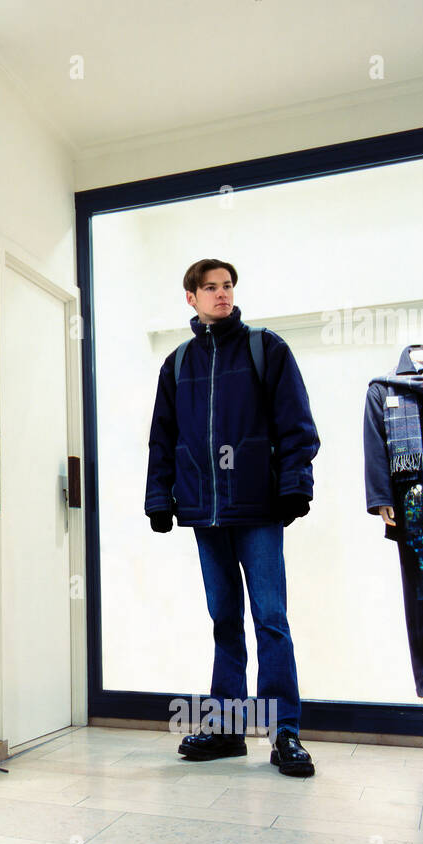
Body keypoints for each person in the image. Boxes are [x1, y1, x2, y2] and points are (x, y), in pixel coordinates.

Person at [145, 259, 320, 777]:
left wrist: (294, 486)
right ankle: (226, 730)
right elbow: (163, 440)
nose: (222, 295)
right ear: (191, 299)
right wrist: (160, 498)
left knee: (271, 620)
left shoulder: (267, 350)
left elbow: (298, 427)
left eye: (227, 287)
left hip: (259, 510)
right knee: (225, 621)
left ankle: (284, 732)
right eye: (210, 288)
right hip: (205, 513)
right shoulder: (178, 365)